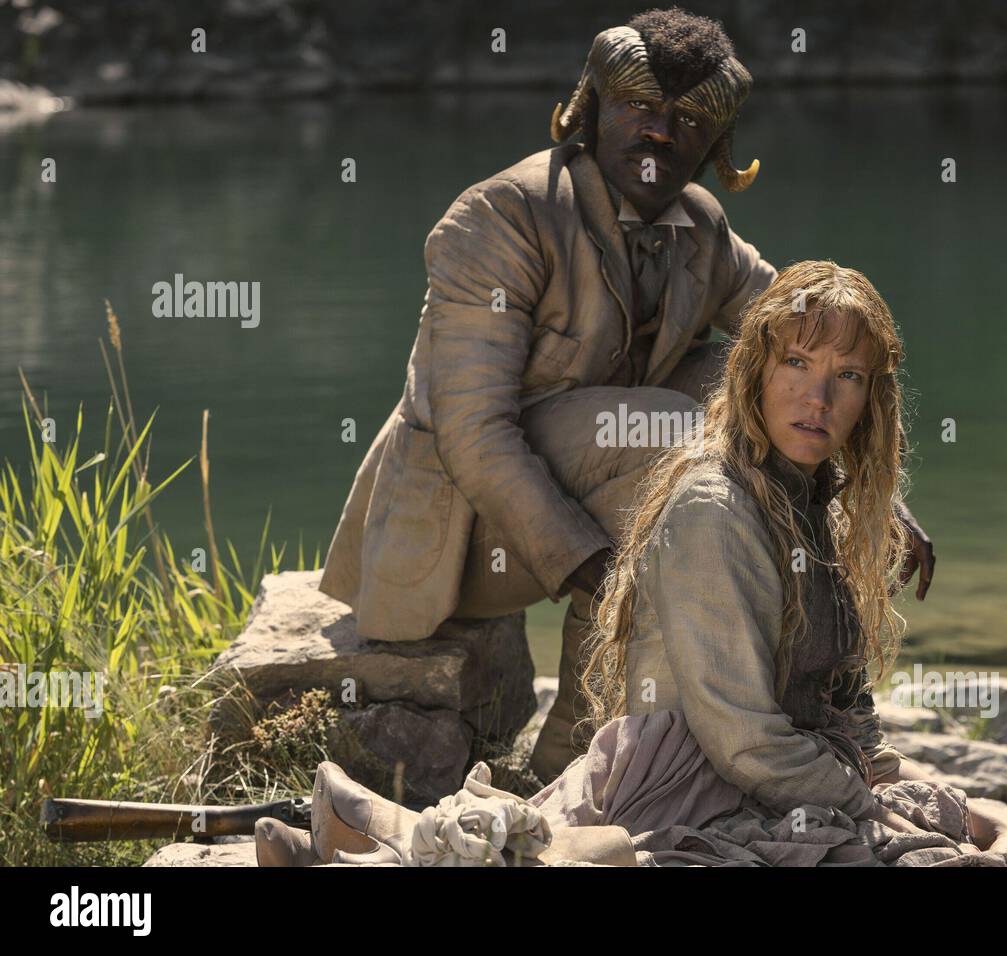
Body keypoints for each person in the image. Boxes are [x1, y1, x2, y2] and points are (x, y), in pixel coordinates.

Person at [313, 8, 938, 783]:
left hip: (602, 485)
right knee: (683, 442)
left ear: (717, 144)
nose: (659, 133)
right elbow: (472, 431)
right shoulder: (501, 215)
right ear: (591, 109)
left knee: (754, 373)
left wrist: (875, 500)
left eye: (688, 118)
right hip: (463, 529)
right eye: (639, 107)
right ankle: (616, 772)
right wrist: (584, 557)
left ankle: (588, 769)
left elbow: (822, 336)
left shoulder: (701, 229)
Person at [257, 261, 1007, 867]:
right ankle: (374, 848)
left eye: (848, 377)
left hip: (777, 774)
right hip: (692, 784)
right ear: (755, 372)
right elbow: (741, 738)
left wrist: (886, 785)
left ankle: (369, 833)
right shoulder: (714, 511)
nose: (818, 396)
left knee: (949, 836)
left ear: (873, 399)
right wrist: (861, 804)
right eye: (796, 363)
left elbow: (846, 708)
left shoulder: (823, 510)